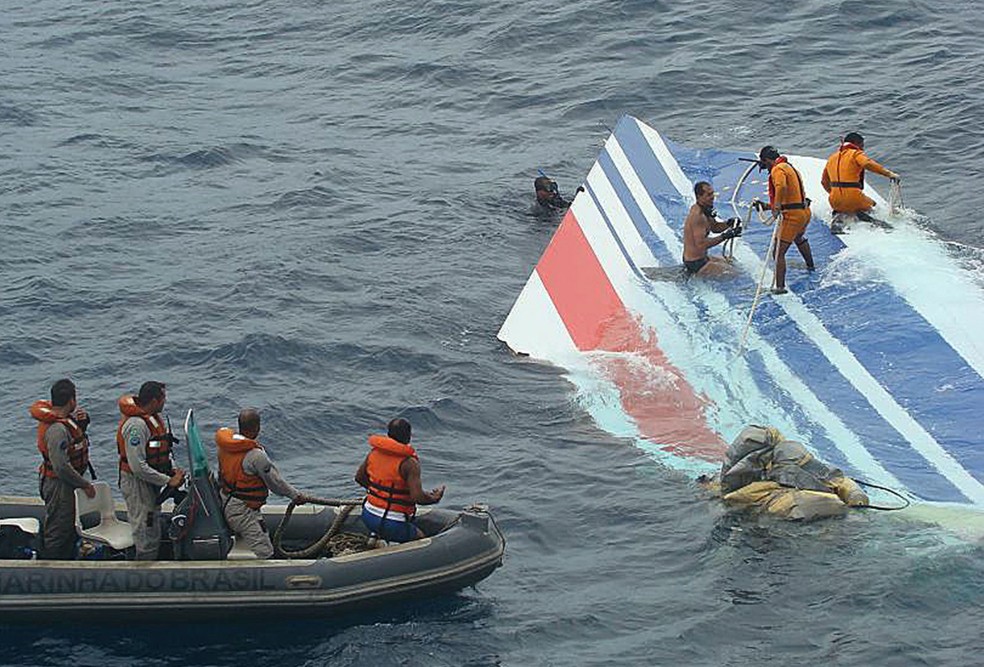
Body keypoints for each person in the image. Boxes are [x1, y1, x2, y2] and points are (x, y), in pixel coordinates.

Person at [215, 408, 314, 559]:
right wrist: (295, 496)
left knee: (263, 534)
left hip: (226, 501)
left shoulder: (225, 448)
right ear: (257, 428)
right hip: (242, 511)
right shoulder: (256, 456)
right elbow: (275, 483)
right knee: (265, 551)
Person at [116, 381, 185, 560]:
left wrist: (173, 471)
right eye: (163, 398)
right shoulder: (137, 426)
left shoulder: (153, 420)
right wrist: (167, 481)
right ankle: (143, 568)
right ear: (154, 400)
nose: (165, 401)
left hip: (151, 480)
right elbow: (137, 466)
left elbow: (161, 449)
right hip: (137, 483)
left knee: (152, 522)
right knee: (145, 527)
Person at [30, 379, 96, 559]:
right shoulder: (57, 429)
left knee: (67, 526)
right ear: (71, 400)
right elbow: (61, 467)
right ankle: (51, 566)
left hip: (66, 483)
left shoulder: (67, 422)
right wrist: (84, 485)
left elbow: (72, 444)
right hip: (59, 484)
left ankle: (67, 557)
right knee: (58, 529)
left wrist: (82, 427)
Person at [354, 418, 445, 543]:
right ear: (408, 436)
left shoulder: (374, 453)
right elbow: (417, 497)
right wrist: (434, 498)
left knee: (388, 527)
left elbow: (359, 478)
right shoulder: (409, 463)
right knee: (421, 540)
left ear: (389, 434)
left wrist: (380, 494)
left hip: (368, 515)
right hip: (392, 522)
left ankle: (377, 538)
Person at [757, 146, 816, 294]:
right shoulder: (789, 167)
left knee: (778, 251)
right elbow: (791, 198)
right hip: (804, 212)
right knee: (798, 237)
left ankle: (780, 287)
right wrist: (766, 206)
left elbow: (781, 186)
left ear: (767, 160)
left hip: (793, 217)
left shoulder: (778, 170)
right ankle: (810, 266)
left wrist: (776, 206)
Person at [820, 132, 900, 227]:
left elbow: (824, 182)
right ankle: (862, 215)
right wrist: (889, 174)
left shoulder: (831, 158)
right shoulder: (855, 154)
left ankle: (839, 216)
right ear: (856, 143)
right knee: (873, 204)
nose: (862, 149)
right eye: (862, 146)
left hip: (834, 201)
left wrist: (835, 194)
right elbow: (867, 163)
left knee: (844, 207)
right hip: (854, 199)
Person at [682, 181, 740, 277]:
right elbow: (701, 245)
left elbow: (715, 227)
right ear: (699, 197)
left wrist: (728, 224)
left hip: (703, 257)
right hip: (696, 263)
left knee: (731, 262)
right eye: (709, 195)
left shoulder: (705, 209)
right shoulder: (697, 216)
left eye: (712, 193)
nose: (713, 197)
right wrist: (725, 236)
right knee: (734, 274)